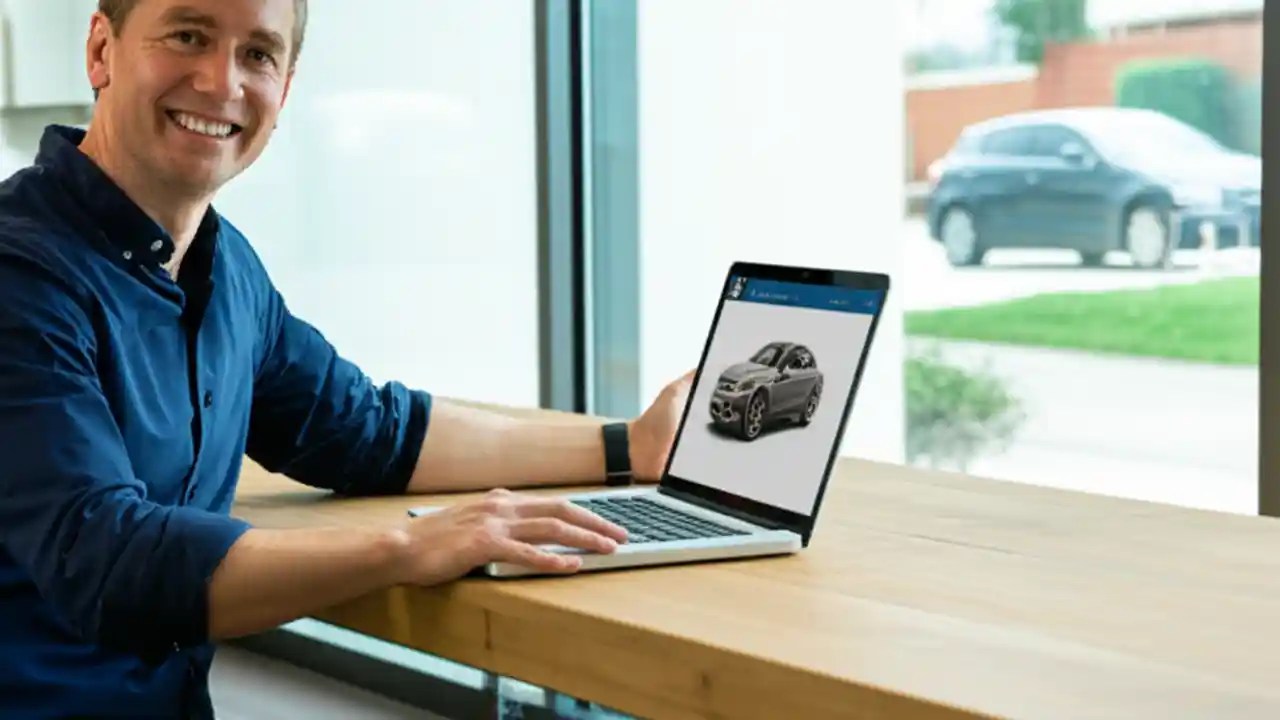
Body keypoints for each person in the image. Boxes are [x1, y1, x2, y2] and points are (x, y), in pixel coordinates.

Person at [0, 0, 692, 717]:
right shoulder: (20, 272)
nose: (221, 82)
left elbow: (367, 431)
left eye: (259, 54)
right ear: (102, 51)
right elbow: (103, 558)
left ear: (286, 89)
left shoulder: (226, 271)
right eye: (188, 35)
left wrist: (630, 444)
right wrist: (401, 550)